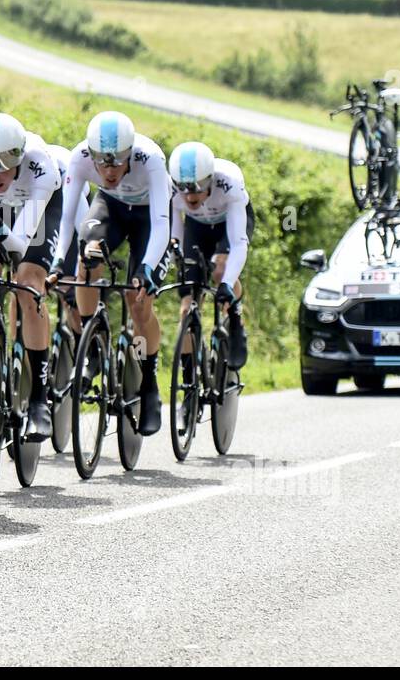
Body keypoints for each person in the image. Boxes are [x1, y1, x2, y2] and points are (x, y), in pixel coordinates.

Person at [50, 111, 171, 436]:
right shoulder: (80, 156)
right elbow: (65, 220)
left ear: (130, 153)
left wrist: (146, 269)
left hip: (149, 218)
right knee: (88, 254)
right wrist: (59, 260)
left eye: (117, 163)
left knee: (139, 300)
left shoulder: (152, 160)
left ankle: (148, 383)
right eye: (103, 164)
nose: (109, 170)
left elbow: (162, 223)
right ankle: (90, 343)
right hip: (111, 208)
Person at [0, 113, 84, 442]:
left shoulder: (41, 167)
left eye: (5, 162)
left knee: (28, 283)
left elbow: (19, 244)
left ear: (19, 155)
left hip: (37, 210)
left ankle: (38, 398)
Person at [167, 141, 252, 370]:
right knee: (186, 309)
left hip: (228, 223)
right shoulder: (171, 190)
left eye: (197, 187)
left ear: (210, 178)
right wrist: (179, 263)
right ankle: (187, 383)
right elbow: (175, 236)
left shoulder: (229, 183)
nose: (190, 195)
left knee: (222, 267)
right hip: (197, 226)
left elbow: (238, 243)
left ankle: (234, 318)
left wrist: (225, 284)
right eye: (183, 188)